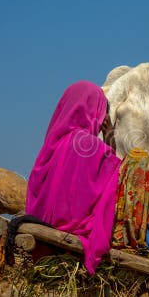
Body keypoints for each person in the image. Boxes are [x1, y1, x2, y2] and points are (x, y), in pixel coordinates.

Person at [25, 80, 121, 274]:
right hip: (74, 234)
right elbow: (115, 177)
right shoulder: (92, 147)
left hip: (41, 230)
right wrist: (110, 137)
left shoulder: (51, 145)